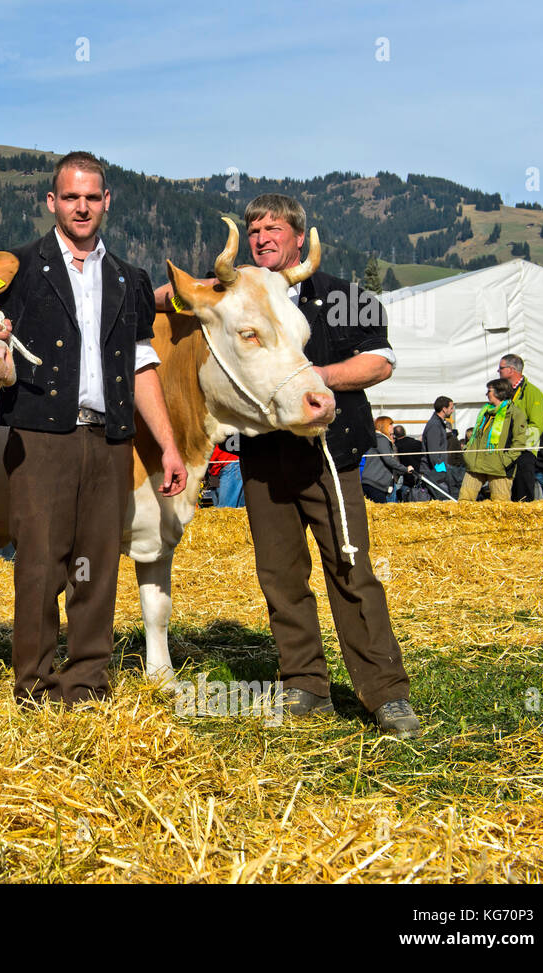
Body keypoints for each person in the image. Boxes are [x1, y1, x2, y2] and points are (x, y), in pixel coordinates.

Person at [0, 151, 186, 707]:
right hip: (40, 437)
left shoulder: (129, 278)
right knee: (39, 563)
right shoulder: (18, 269)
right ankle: (33, 685)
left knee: (97, 566)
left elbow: (143, 366)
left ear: (107, 203)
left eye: (92, 197)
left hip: (109, 439)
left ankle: (87, 685)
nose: (82, 207)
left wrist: (168, 446)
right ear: (52, 202)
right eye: (70, 197)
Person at [235, 194, 418, 738]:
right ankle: (305, 685)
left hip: (328, 454)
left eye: (273, 229)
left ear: (299, 234)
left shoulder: (343, 296)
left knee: (351, 569)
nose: (262, 239)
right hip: (264, 455)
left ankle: (385, 693)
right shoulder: (241, 296)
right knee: (280, 576)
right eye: (254, 232)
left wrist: (314, 378)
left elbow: (379, 362)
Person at [459, 378, 527, 501]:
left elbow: (519, 442)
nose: (486, 394)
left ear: (499, 392)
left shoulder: (515, 414)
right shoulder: (485, 412)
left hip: (498, 469)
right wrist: (467, 451)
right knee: (464, 502)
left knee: (499, 507)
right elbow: (476, 435)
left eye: (489, 391)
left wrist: (505, 461)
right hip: (475, 465)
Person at [498, 355, 543, 501]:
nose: (498, 371)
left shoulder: (532, 392)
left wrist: (516, 444)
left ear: (511, 370)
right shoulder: (501, 393)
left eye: (501, 368)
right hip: (502, 453)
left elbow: (536, 426)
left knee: (523, 494)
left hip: (523, 452)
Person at [361, 416, 410, 502]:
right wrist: (405, 469)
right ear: (383, 425)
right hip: (375, 484)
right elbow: (388, 459)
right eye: (390, 424)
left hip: (372, 483)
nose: (392, 427)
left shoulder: (378, 439)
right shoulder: (381, 439)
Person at [420, 396, 456, 500]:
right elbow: (434, 453)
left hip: (436, 471)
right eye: (451, 408)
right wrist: (441, 470)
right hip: (433, 472)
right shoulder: (435, 425)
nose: (452, 411)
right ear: (444, 409)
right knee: (443, 500)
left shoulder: (438, 423)